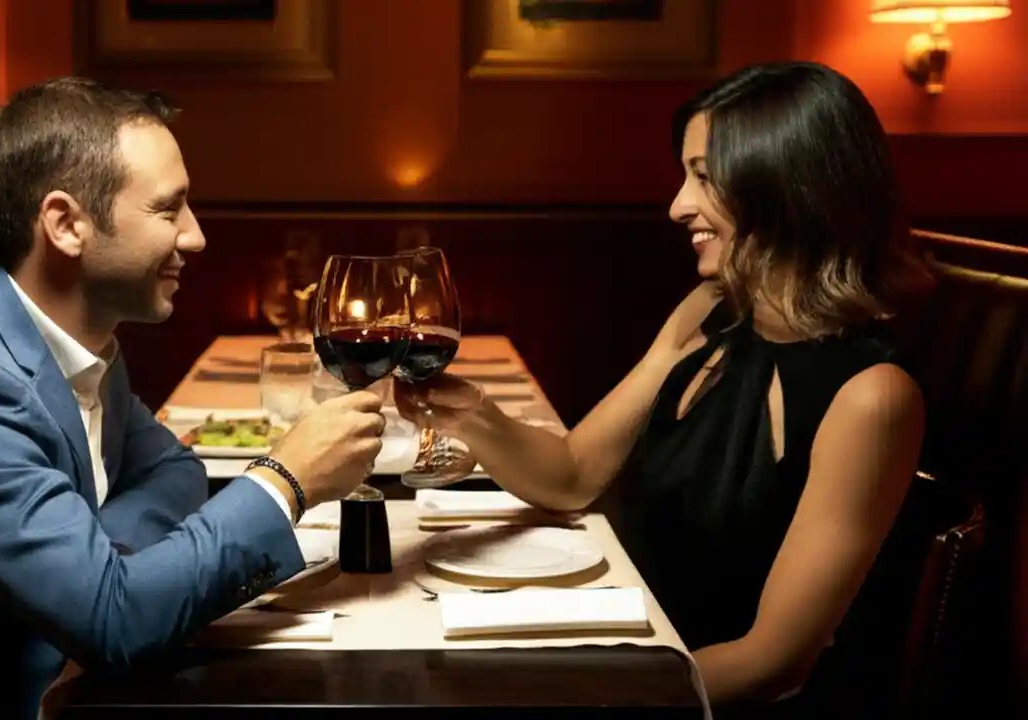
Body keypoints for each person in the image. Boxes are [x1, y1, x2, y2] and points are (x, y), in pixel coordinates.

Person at [0, 77, 386, 719]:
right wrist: (286, 480)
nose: (194, 237)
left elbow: (176, 471)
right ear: (65, 224)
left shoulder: (81, 345)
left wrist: (98, 560)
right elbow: (116, 620)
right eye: (169, 210)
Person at [396, 62, 932, 716]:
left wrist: (574, 700)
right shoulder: (708, 312)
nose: (678, 205)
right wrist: (469, 413)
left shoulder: (872, 399)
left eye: (702, 177)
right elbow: (571, 473)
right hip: (627, 651)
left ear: (784, 184)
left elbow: (772, 661)